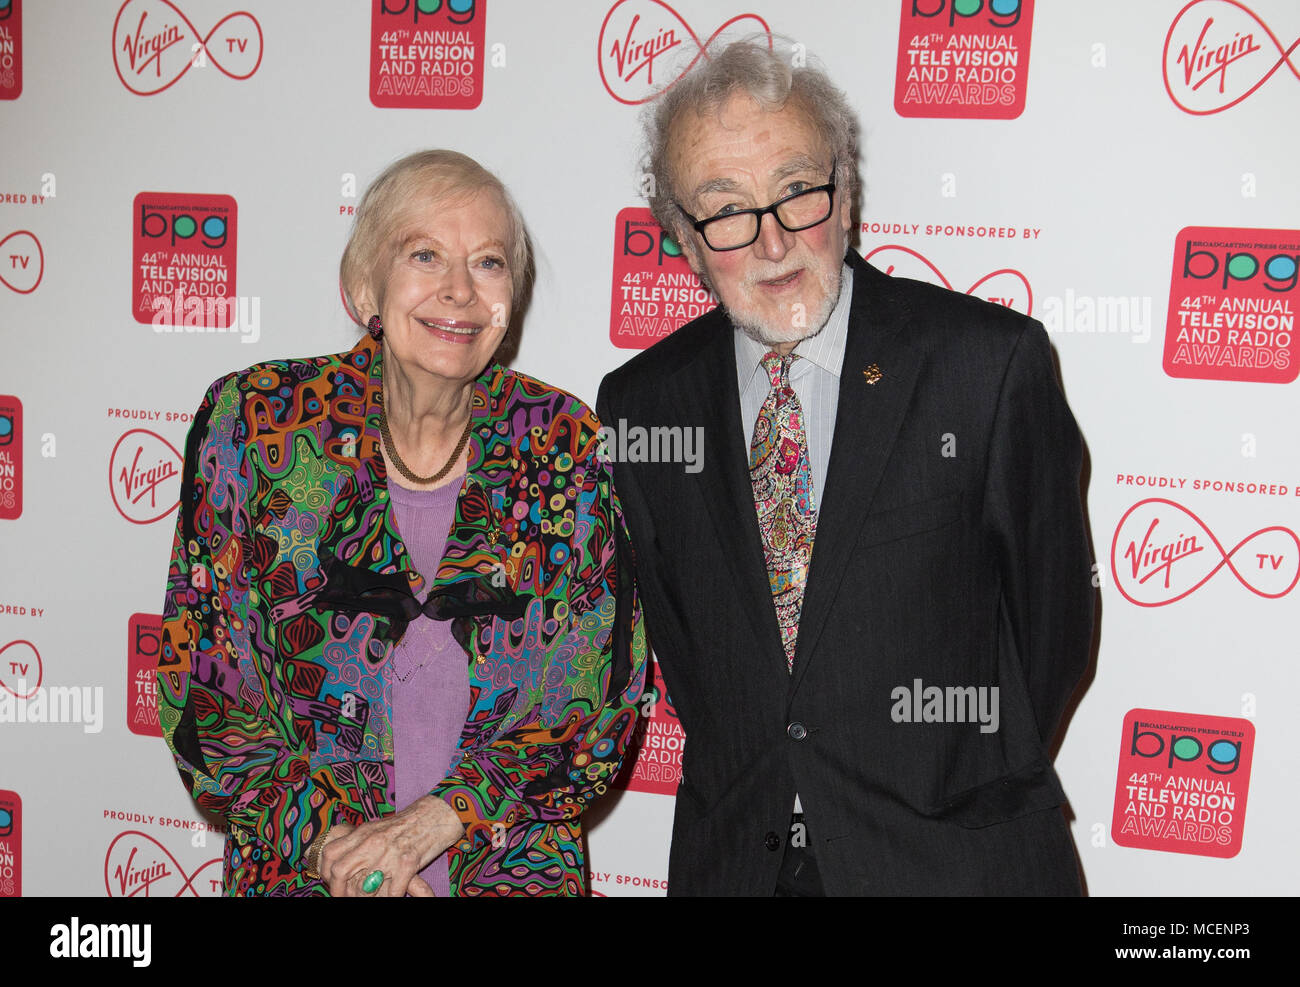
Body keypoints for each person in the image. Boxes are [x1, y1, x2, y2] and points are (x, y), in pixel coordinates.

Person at [597, 40, 1094, 895]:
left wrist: (950, 776)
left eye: (797, 191)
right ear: (683, 238)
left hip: (955, 864)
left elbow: (1054, 627)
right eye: (725, 209)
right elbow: (681, 651)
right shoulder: (642, 404)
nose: (773, 238)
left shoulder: (983, 364)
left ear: (846, 188)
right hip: (739, 870)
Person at [158, 149, 646, 897]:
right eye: (425, 254)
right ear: (364, 286)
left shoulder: (563, 444)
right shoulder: (256, 429)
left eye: (488, 263)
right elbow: (212, 697)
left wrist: (429, 825)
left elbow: (595, 708)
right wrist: (350, 852)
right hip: (311, 874)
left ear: (508, 302)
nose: (458, 288)